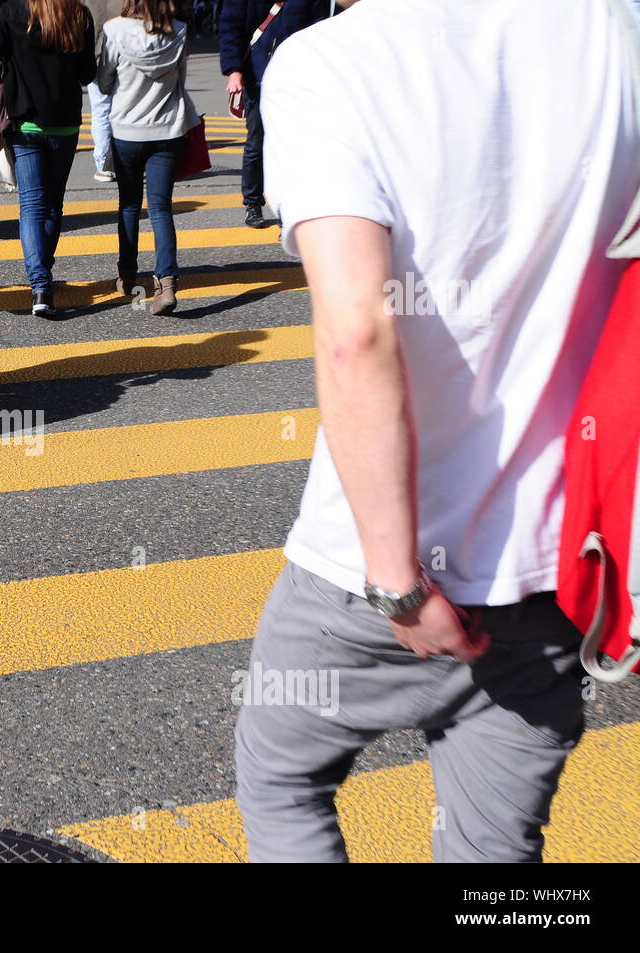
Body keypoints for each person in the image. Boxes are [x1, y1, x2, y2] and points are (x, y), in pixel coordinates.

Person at [233, 0, 640, 862]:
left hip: (365, 571)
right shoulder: (617, 33)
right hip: (559, 565)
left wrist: (399, 583)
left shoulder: (327, 61)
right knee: (494, 850)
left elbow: (355, 332)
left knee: (281, 780)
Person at [0, 0, 96, 317]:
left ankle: (40, 285)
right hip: (65, 123)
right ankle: (43, 270)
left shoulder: (12, 12)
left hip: (26, 121)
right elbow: (87, 74)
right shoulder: (79, 15)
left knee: (31, 204)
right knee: (54, 204)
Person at [97, 0, 197, 314]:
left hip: (126, 129)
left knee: (128, 204)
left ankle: (127, 275)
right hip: (167, 130)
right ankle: (166, 283)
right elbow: (181, 81)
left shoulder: (114, 30)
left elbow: (103, 81)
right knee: (160, 208)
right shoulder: (179, 32)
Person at [217, 0, 326, 228]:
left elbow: (320, 26)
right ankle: (253, 203)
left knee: (293, 147)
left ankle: (288, 209)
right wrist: (234, 70)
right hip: (257, 75)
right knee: (256, 143)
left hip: (296, 78)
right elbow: (230, 26)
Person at [83, 0, 125, 183]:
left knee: (101, 111)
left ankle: (105, 166)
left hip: (95, 55)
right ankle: (129, 160)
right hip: (126, 54)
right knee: (126, 108)